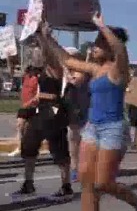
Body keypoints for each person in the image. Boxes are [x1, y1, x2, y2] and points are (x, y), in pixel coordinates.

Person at [37, 15, 137, 211]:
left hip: (113, 129)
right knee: (85, 179)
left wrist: (102, 26)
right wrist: (46, 36)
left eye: (99, 42)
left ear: (110, 46)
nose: (94, 46)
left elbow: (120, 48)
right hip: (92, 127)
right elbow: (66, 60)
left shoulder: (119, 69)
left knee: (103, 183)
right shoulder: (95, 68)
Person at [10, 39, 74, 201]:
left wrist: (44, 37)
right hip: (40, 114)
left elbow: (54, 96)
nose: (34, 54)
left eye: (37, 51)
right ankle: (28, 183)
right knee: (29, 146)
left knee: (59, 150)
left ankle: (66, 186)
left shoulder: (55, 70)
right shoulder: (37, 72)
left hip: (54, 114)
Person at [64, 51, 91, 183]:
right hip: (72, 112)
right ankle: (75, 169)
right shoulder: (67, 72)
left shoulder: (83, 73)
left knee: (84, 143)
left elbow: (77, 81)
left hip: (85, 112)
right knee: (73, 142)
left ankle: (85, 168)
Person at [8, 66, 39, 157]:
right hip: (24, 106)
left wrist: (30, 102)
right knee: (20, 126)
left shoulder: (37, 80)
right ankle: (19, 148)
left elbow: (38, 95)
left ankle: (28, 148)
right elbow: (13, 72)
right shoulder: (25, 78)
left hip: (32, 106)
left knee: (28, 129)